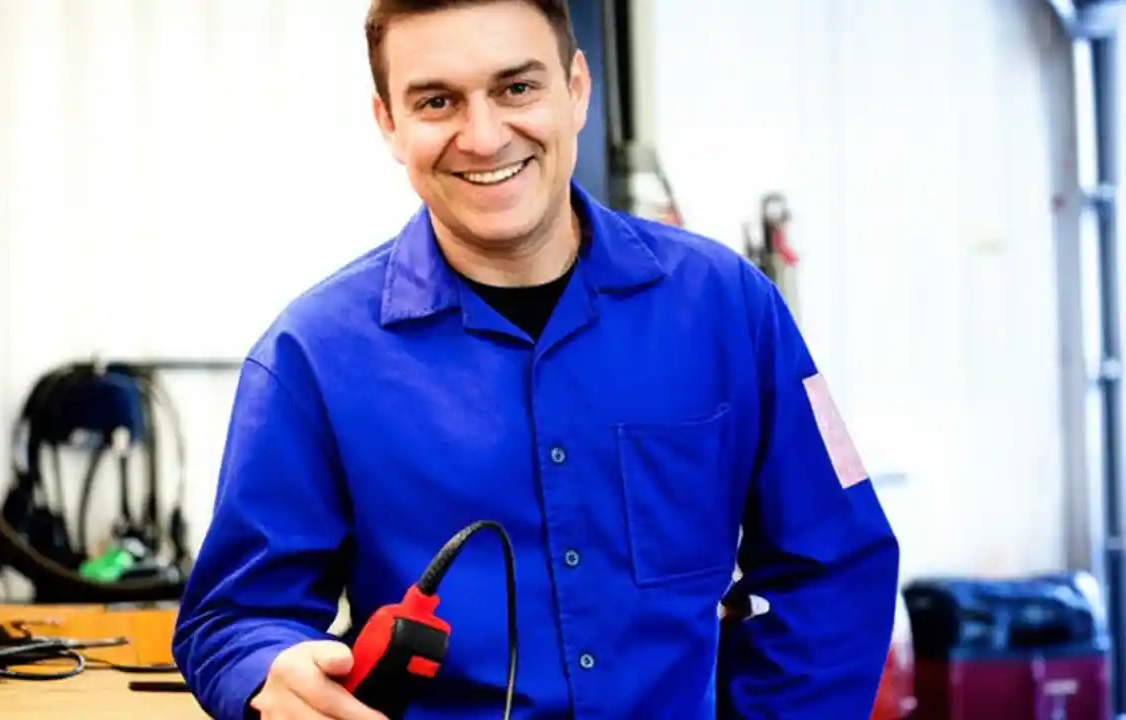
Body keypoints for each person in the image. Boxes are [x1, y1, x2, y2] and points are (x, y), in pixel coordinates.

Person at [171, 0, 901, 718]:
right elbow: (231, 619)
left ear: (577, 89)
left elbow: (838, 566)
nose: (484, 136)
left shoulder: (728, 309)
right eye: (437, 101)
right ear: (389, 124)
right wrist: (268, 668)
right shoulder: (311, 358)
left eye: (517, 88)